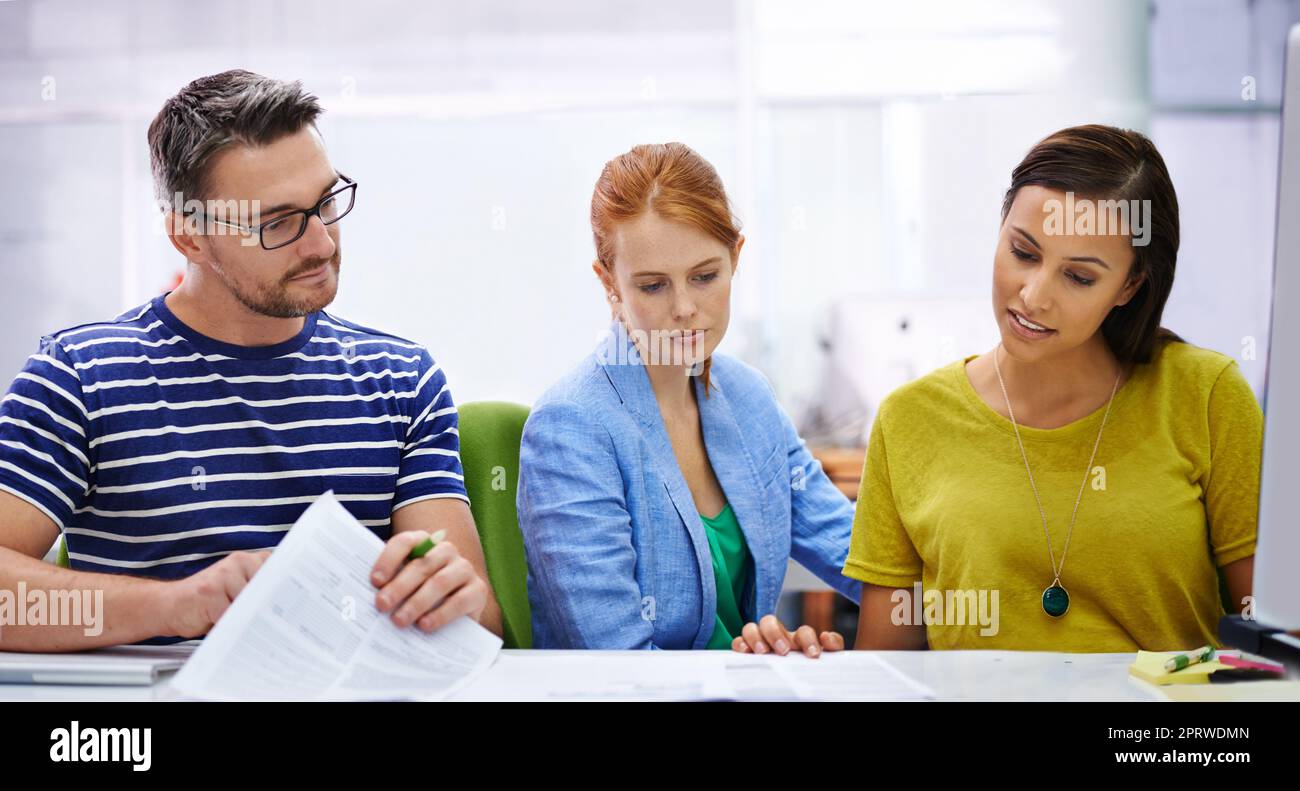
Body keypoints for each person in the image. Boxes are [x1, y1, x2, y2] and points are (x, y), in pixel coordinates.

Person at [0, 70, 500, 651]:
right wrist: (173, 605)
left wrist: (456, 600)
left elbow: (480, 628)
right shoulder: (80, 375)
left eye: (326, 203)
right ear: (189, 236)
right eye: (276, 223)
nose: (321, 244)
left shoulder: (401, 380)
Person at [846, 124, 1260, 651]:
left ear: (1130, 286)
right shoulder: (910, 418)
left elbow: (1273, 642)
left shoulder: (1206, 395)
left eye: (1079, 277)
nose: (1033, 296)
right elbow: (888, 671)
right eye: (1023, 252)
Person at [518, 142, 856, 655]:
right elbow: (619, 660)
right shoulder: (571, 427)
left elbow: (856, 555)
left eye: (705, 277)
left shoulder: (749, 399)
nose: (684, 309)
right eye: (652, 286)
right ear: (609, 282)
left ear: (735, 257)